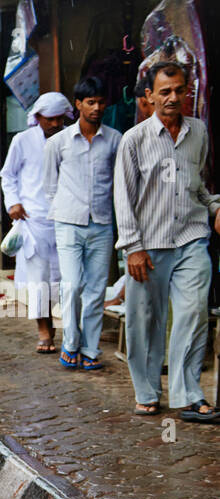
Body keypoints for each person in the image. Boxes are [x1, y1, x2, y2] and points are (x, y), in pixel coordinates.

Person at [113, 60, 220, 422]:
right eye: (164, 92)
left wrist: (215, 206)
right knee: (145, 321)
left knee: (193, 314)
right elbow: (123, 196)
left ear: (188, 91)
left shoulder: (199, 132)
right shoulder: (134, 140)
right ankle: (146, 392)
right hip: (148, 246)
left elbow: (198, 185)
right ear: (149, 96)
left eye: (179, 90)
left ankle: (188, 394)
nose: (173, 98)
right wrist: (133, 247)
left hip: (191, 238)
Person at [43, 76, 121, 371]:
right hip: (68, 223)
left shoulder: (115, 140)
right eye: (91, 102)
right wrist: (63, 209)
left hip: (102, 224)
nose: (97, 107)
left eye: (101, 102)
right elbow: (49, 185)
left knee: (96, 290)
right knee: (72, 285)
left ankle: (90, 349)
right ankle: (71, 343)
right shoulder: (58, 142)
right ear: (78, 105)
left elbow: (119, 183)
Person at [1, 91, 73, 353]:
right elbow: (7, 175)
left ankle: (65, 329)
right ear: (38, 117)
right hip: (33, 220)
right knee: (39, 279)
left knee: (65, 279)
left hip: (66, 219)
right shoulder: (22, 140)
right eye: (50, 119)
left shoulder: (70, 139)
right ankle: (44, 330)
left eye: (59, 119)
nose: (55, 124)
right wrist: (13, 203)